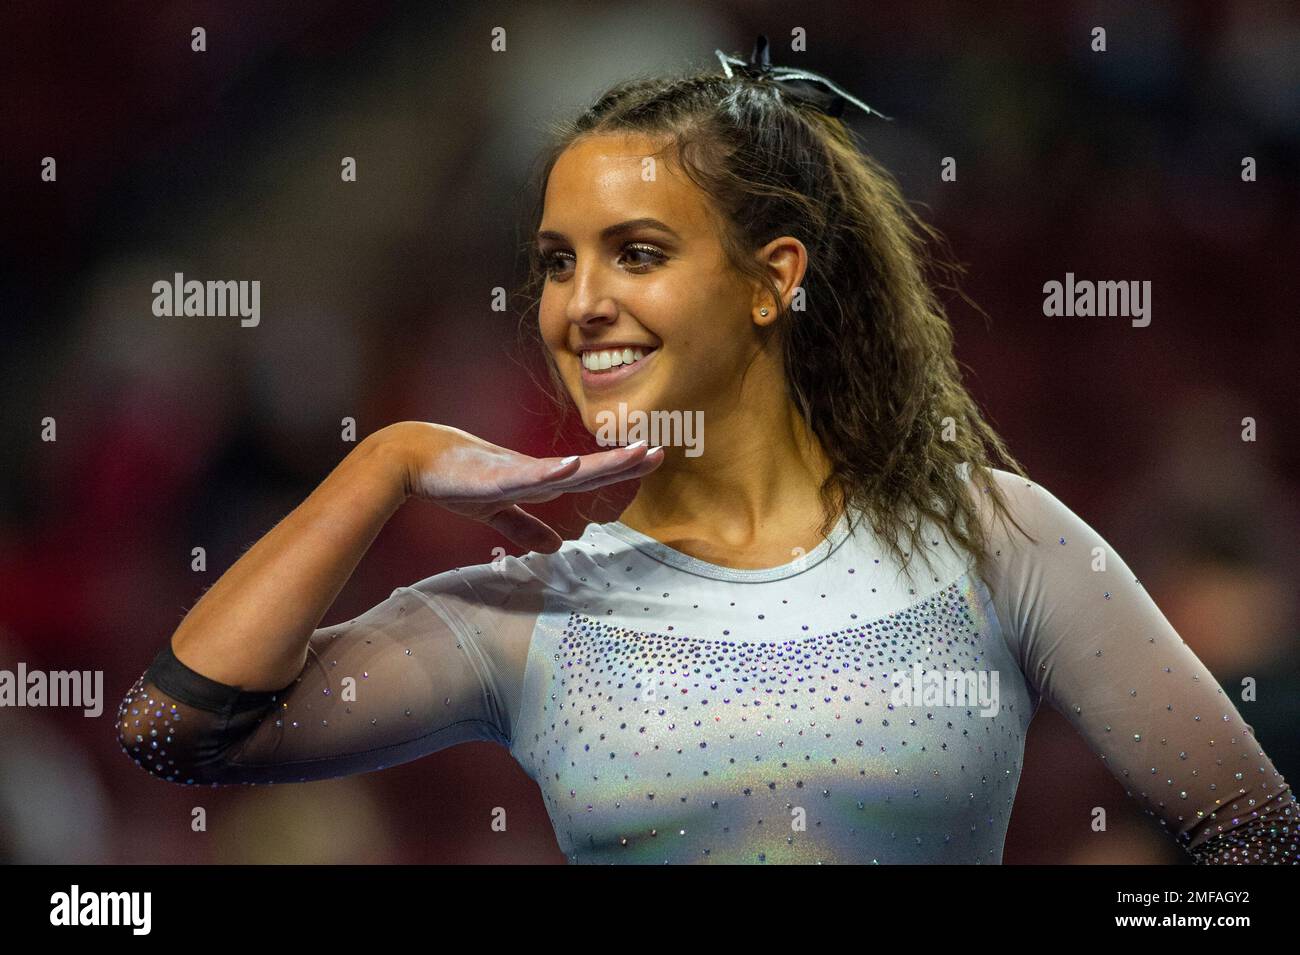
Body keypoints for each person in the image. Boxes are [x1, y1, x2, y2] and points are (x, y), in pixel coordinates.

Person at [117, 38, 1296, 864]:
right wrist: (386, 461)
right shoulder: (529, 614)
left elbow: (1252, 836)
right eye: (555, 262)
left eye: (634, 252)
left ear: (771, 277)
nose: (579, 303)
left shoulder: (993, 536)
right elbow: (176, 730)